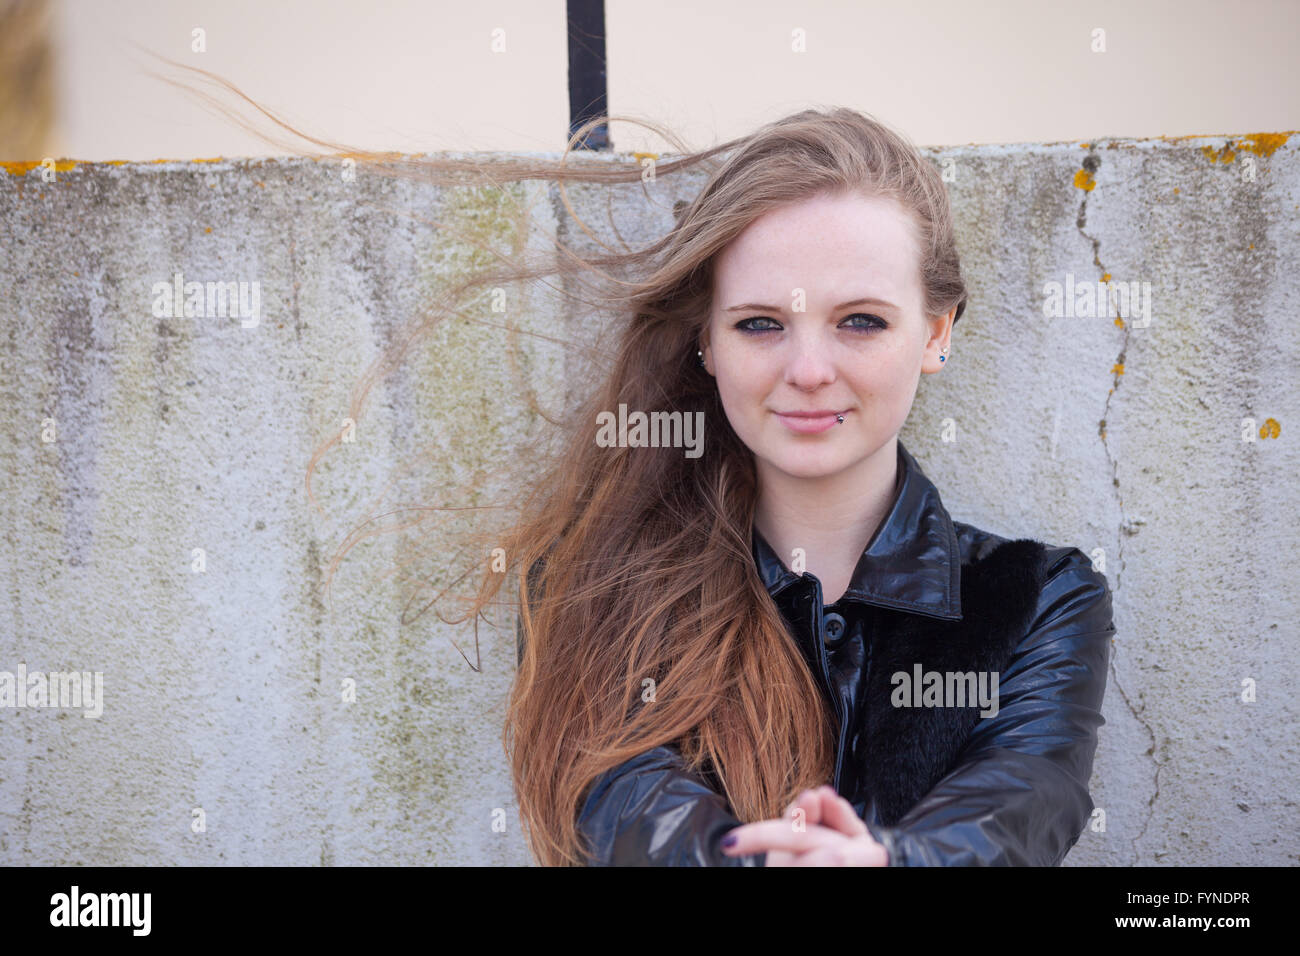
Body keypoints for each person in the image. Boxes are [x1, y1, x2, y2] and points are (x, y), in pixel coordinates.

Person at [156, 60, 1112, 866]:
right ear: (706, 343)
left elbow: (1026, 795)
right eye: (761, 324)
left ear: (937, 333)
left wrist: (889, 862)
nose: (808, 369)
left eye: (861, 320)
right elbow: (631, 807)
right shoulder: (593, 585)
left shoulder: (1040, 600)